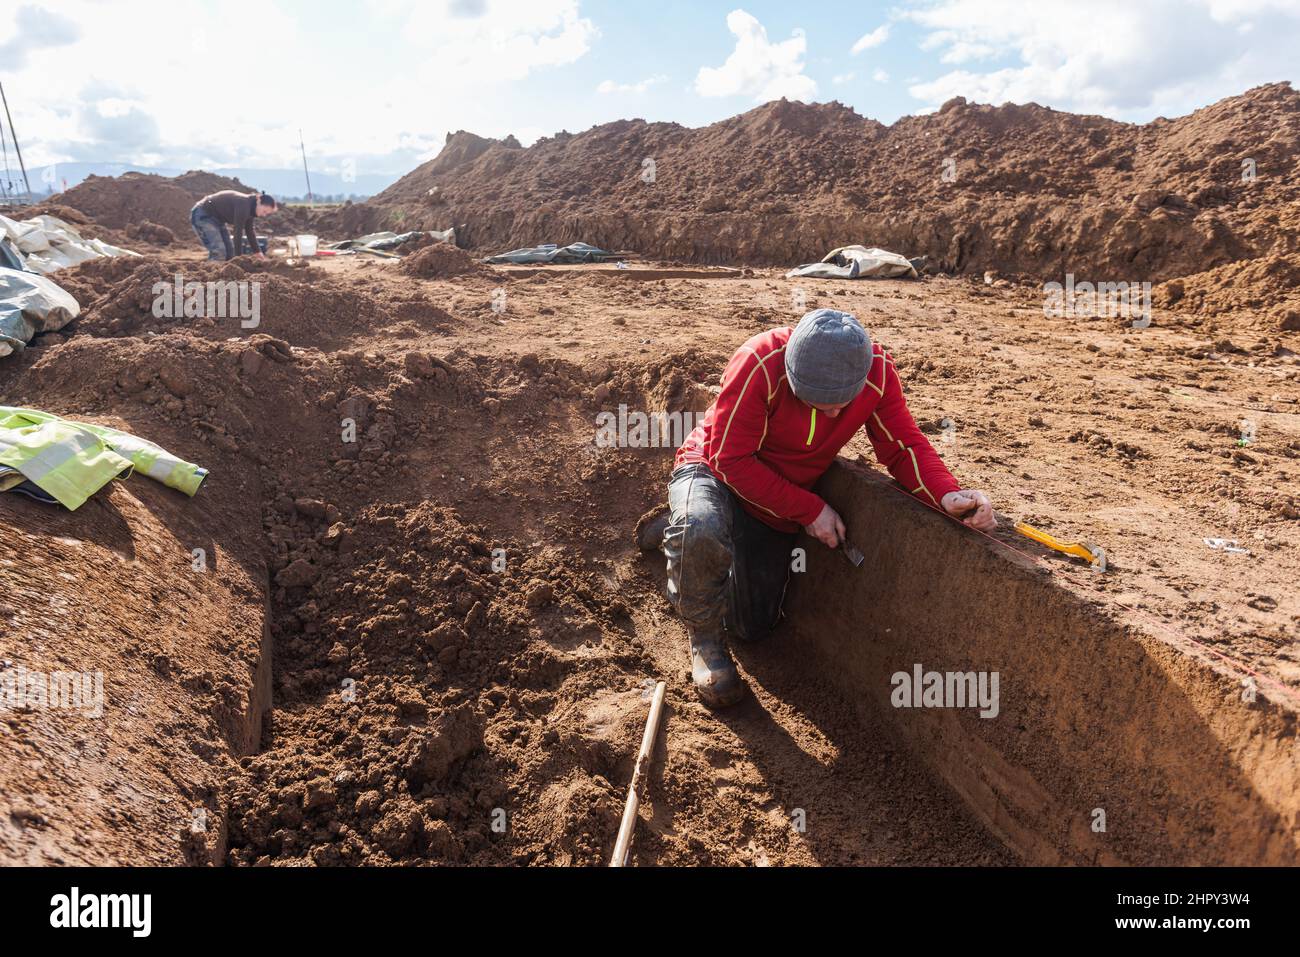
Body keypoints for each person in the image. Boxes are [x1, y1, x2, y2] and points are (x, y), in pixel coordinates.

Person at [654, 308, 996, 708]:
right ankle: (704, 635)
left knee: (752, 626)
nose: (831, 414)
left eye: (841, 404)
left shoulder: (877, 371)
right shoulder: (759, 363)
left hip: (773, 502)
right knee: (701, 525)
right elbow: (730, 460)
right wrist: (811, 510)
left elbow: (903, 446)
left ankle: (691, 542)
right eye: (815, 402)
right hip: (712, 468)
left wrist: (946, 494)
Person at [189, 190, 276, 261]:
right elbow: (237, 232)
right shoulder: (244, 204)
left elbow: (249, 232)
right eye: (264, 211)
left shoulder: (251, 209)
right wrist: (239, 259)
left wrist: (257, 252)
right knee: (220, 251)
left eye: (266, 214)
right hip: (203, 215)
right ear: (259, 201)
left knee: (229, 251)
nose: (264, 215)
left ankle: (226, 277)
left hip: (217, 220)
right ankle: (211, 280)